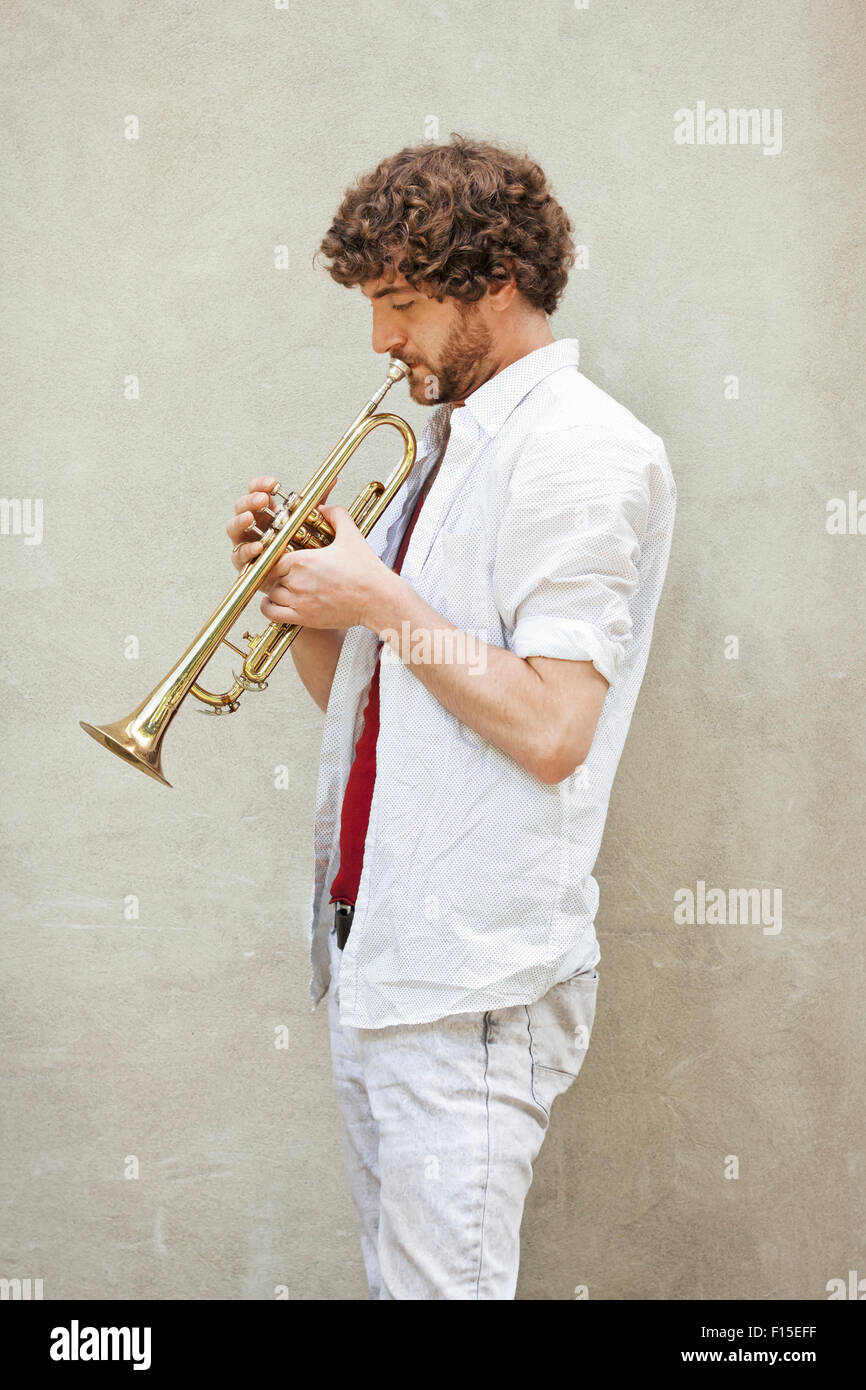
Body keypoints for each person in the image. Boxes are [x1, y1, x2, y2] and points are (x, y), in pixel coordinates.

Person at [226, 135, 677, 1300]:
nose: (382, 340)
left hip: (471, 984)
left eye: (402, 303)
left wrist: (378, 594)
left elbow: (547, 730)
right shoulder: (448, 452)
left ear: (498, 281)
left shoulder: (580, 453)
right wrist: (311, 606)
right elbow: (395, 718)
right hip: (382, 953)